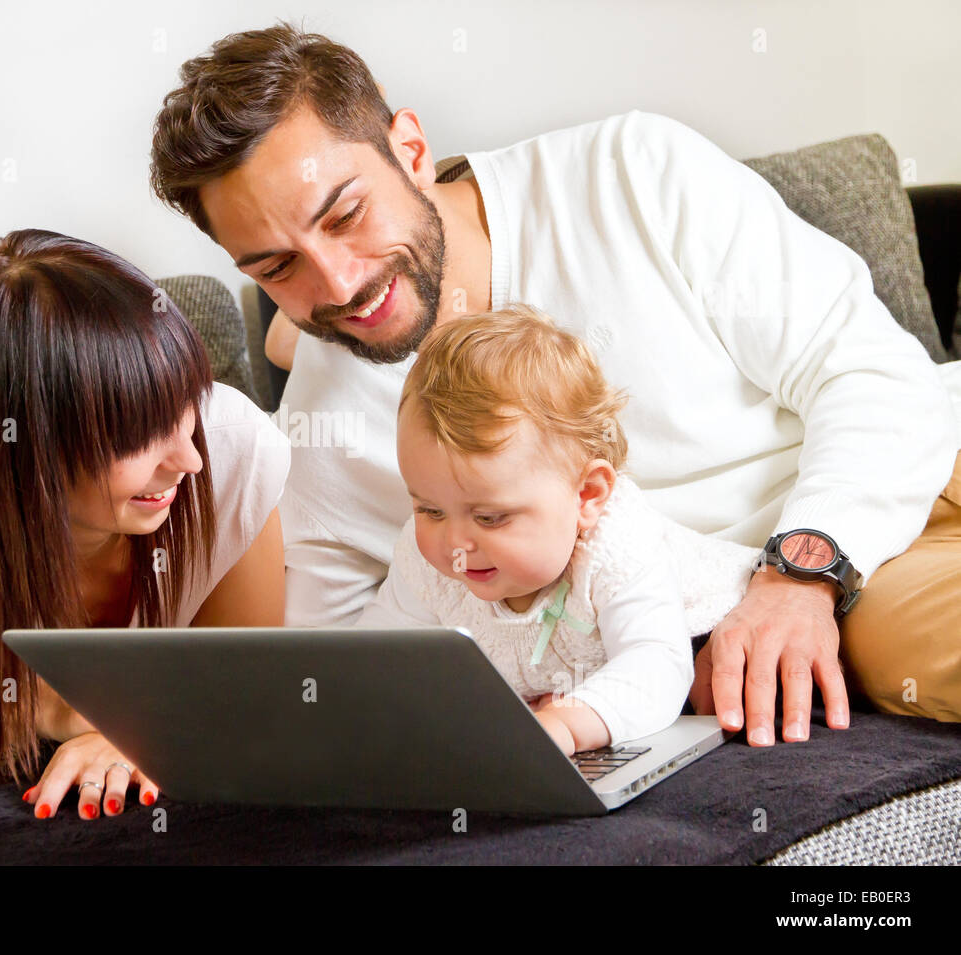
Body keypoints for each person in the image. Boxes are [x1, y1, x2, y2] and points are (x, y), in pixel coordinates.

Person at [148, 21, 961, 744]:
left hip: (905, 477)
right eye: (278, 266)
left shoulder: (632, 174)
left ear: (410, 148)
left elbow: (873, 370)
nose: (338, 284)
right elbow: (326, 680)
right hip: (826, 601)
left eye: (345, 214)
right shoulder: (324, 424)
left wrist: (797, 578)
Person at [0, 229, 290, 821]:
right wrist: (40, 714)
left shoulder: (234, 454)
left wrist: (134, 735)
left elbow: (247, 698)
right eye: (138, 437)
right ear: (24, 451)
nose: (188, 459)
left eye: (186, 410)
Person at [356, 304, 759, 753]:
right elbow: (379, 658)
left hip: (716, 645)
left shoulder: (616, 544)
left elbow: (658, 664)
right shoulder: (427, 560)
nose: (455, 543)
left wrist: (564, 724)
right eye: (429, 510)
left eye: (490, 517)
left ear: (586, 496)